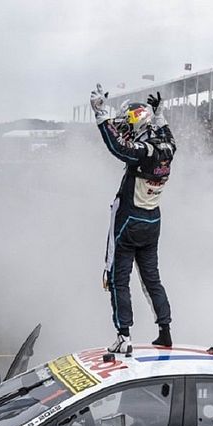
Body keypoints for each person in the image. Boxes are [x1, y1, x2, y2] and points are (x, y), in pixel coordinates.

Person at [89, 84, 176, 353]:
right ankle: (165, 331)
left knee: (118, 280)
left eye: (127, 124)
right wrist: (160, 116)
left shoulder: (144, 151)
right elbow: (166, 134)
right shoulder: (169, 148)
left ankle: (123, 337)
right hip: (153, 222)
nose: (124, 128)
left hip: (129, 221)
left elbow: (119, 147)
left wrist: (101, 114)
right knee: (152, 280)